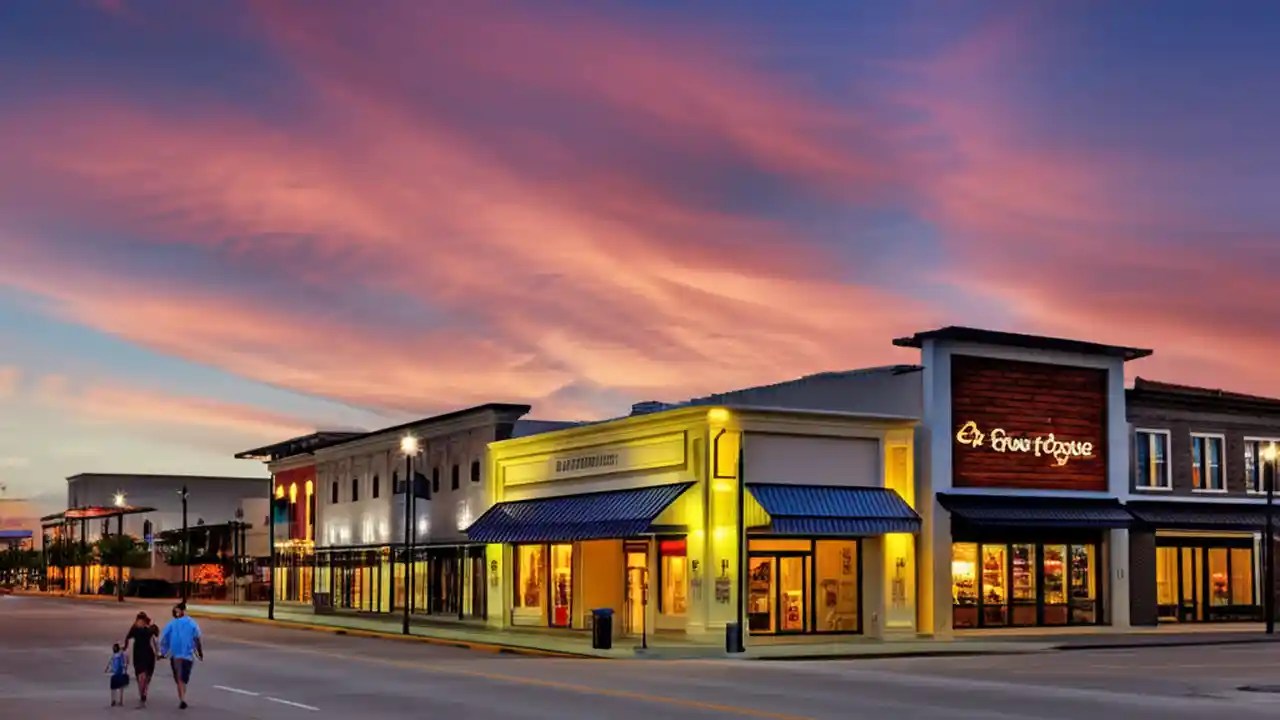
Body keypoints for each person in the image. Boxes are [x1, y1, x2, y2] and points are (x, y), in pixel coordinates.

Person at [158, 602, 203, 710]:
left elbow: (164, 639)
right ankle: (183, 698)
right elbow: (197, 639)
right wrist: (200, 653)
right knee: (183, 678)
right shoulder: (192, 623)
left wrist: (162, 653)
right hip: (187, 656)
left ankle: (182, 698)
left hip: (176, 655)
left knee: (179, 678)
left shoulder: (172, 624)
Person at [123, 611, 160, 707]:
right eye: (138, 621)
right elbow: (127, 638)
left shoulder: (149, 629)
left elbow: (156, 636)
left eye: (141, 621)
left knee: (147, 676)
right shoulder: (134, 629)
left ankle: (144, 690)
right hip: (138, 655)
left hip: (148, 655)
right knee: (140, 675)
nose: (139, 623)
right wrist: (124, 649)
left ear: (144, 621)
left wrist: (158, 653)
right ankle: (142, 694)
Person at [104, 642, 129, 707]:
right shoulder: (121, 655)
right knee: (121, 688)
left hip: (114, 674)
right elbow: (124, 664)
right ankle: (120, 701)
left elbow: (109, 664)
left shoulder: (113, 656)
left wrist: (106, 670)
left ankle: (113, 700)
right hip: (120, 674)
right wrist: (125, 670)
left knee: (113, 689)